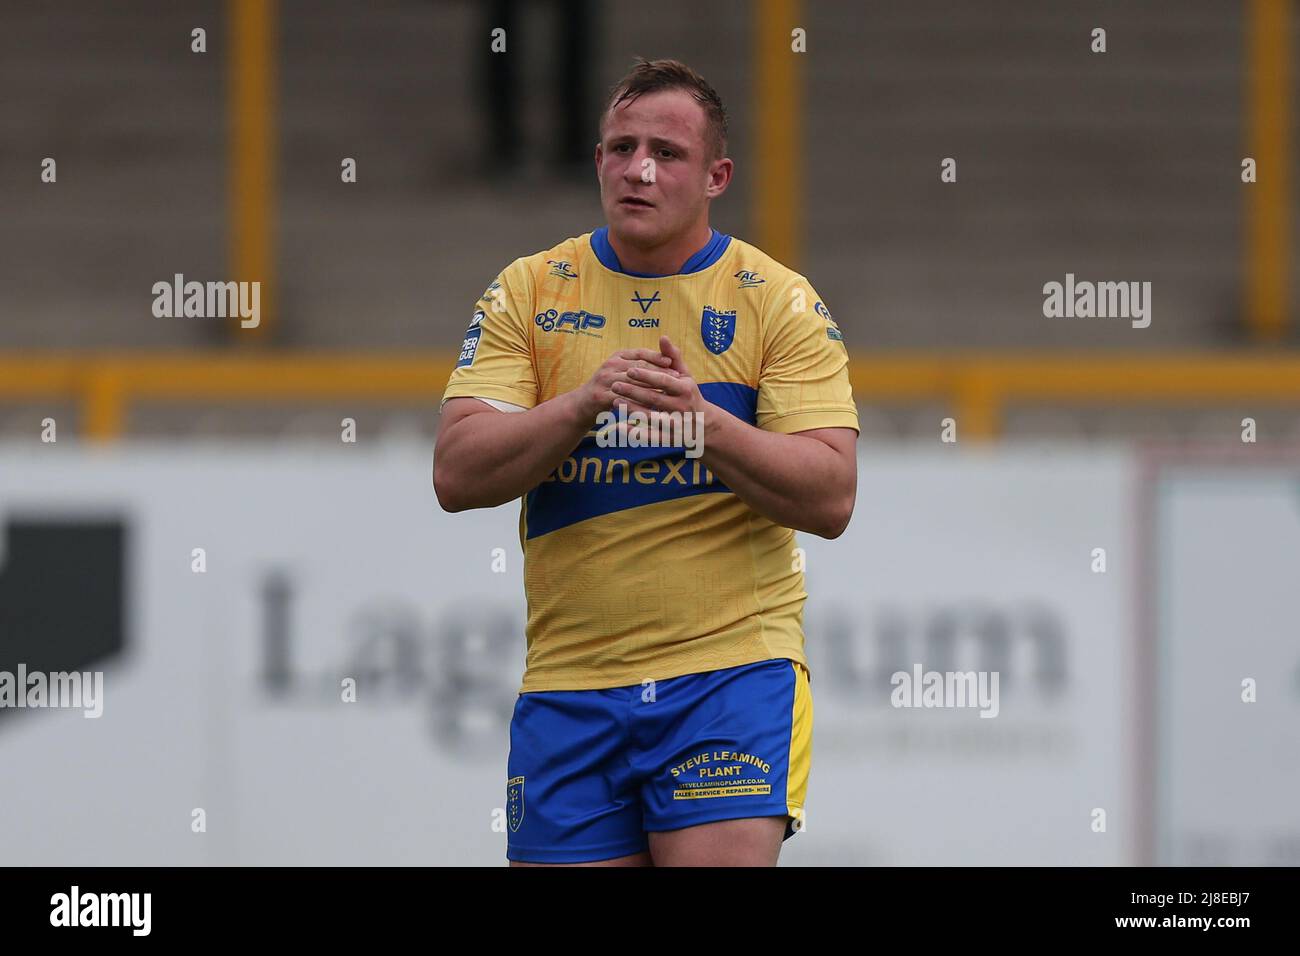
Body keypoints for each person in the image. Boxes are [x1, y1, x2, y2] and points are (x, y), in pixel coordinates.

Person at [434, 58, 858, 866]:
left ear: (715, 176)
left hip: (728, 676)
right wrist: (582, 405)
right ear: (596, 160)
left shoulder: (777, 300)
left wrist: (703, 425)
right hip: (569, 685)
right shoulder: (528, 291)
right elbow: (456, 473)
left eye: (666, 153)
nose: (639, 169)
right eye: (620, 147)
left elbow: (832, 494)